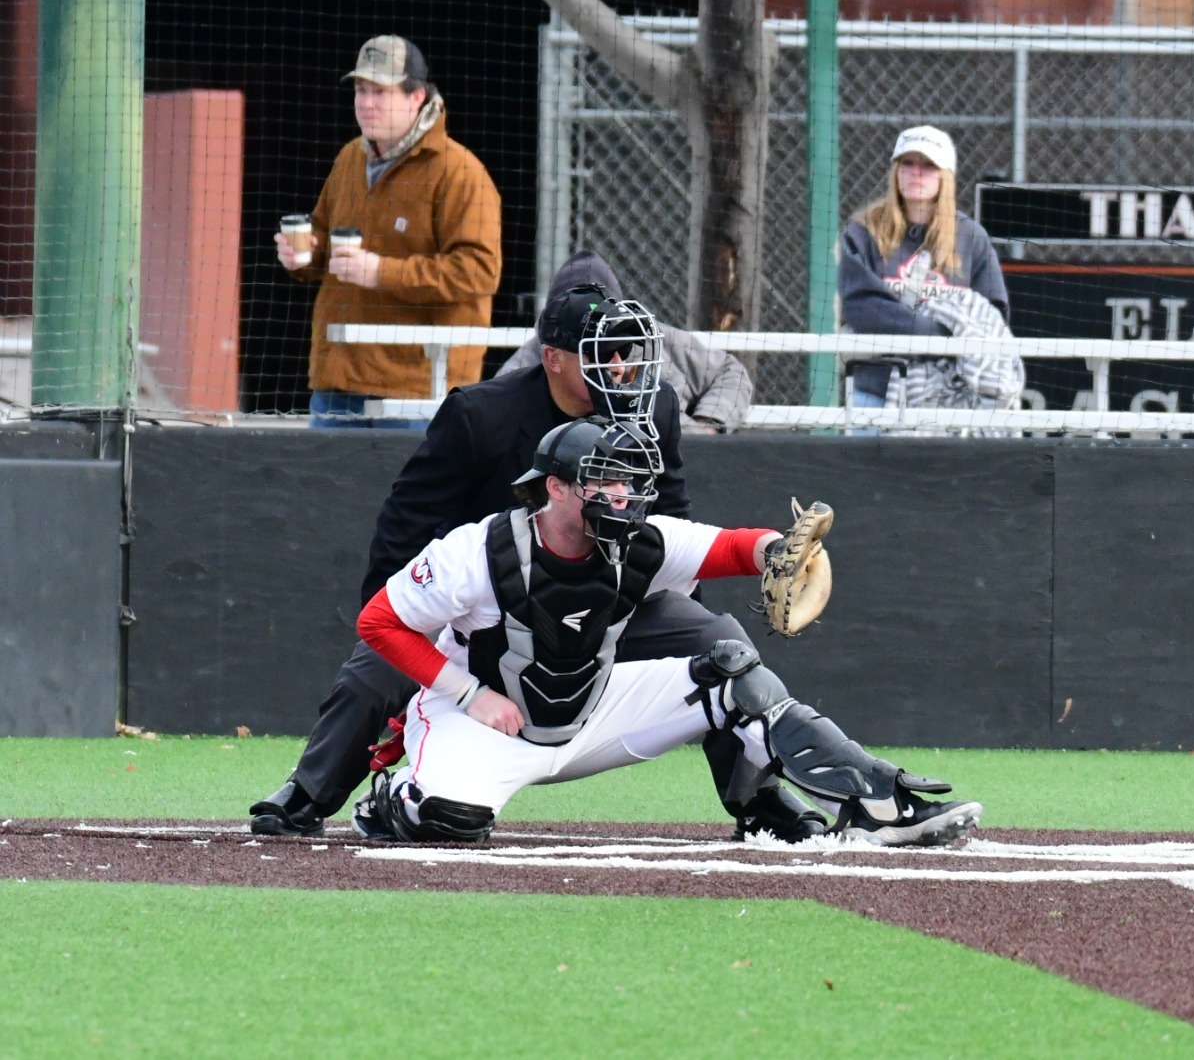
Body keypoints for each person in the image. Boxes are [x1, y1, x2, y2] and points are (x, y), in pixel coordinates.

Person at [249, 286, 823, 844]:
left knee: (720, 642)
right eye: (601, 351)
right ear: (551, 358)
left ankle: (760, 799)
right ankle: (309, 792)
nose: (619, 366)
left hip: (614, 596)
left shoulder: (657, 406)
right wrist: (411, 624)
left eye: (625, 351)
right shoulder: (481, 414)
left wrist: (696, 598)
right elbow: (407, 523)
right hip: (484, 605)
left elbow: (669, 516)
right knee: (377, 656)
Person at [347, 417, 983, 848]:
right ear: (556, 487)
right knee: (449, 822)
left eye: (628, 481)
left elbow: (733, 549)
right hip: (488, 720)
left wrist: (779, 552)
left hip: (592, 713)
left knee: (731, 670)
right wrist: (465, 694)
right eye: (604, 479)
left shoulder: (641, 542)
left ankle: (871, 799)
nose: (622, 496)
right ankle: (395, 797)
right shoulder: (476, 551)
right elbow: (378, 621)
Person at [273, 35, 502, 428]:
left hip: (418, 392)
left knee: (408, 491)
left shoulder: (460, 173)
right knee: (327, 491)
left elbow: (479, 271)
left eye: (380, 91)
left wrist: (380, 271)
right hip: (338, 382)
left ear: (417, 98)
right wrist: (304, 254)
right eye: (361, 90)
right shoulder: (350, 158)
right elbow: (324, 236)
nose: (366, 103)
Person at [837, 125, 1010, 416]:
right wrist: (934, 335)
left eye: (929, 165)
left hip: (952, 395)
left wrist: (939, 341)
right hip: (875, 389)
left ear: (945, 176)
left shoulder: (971, 237)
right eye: (908, 163)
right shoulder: (863, 231)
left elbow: (992, 315)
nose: (917, 172)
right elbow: (860, 304)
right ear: (896, 172)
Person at [496, 250, 754, 432]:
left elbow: (732, 372)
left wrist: (706, 428)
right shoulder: (524, 366)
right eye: (578, 316)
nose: (615, 362)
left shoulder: (656, 340)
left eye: (601, 317)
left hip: (668, 466)